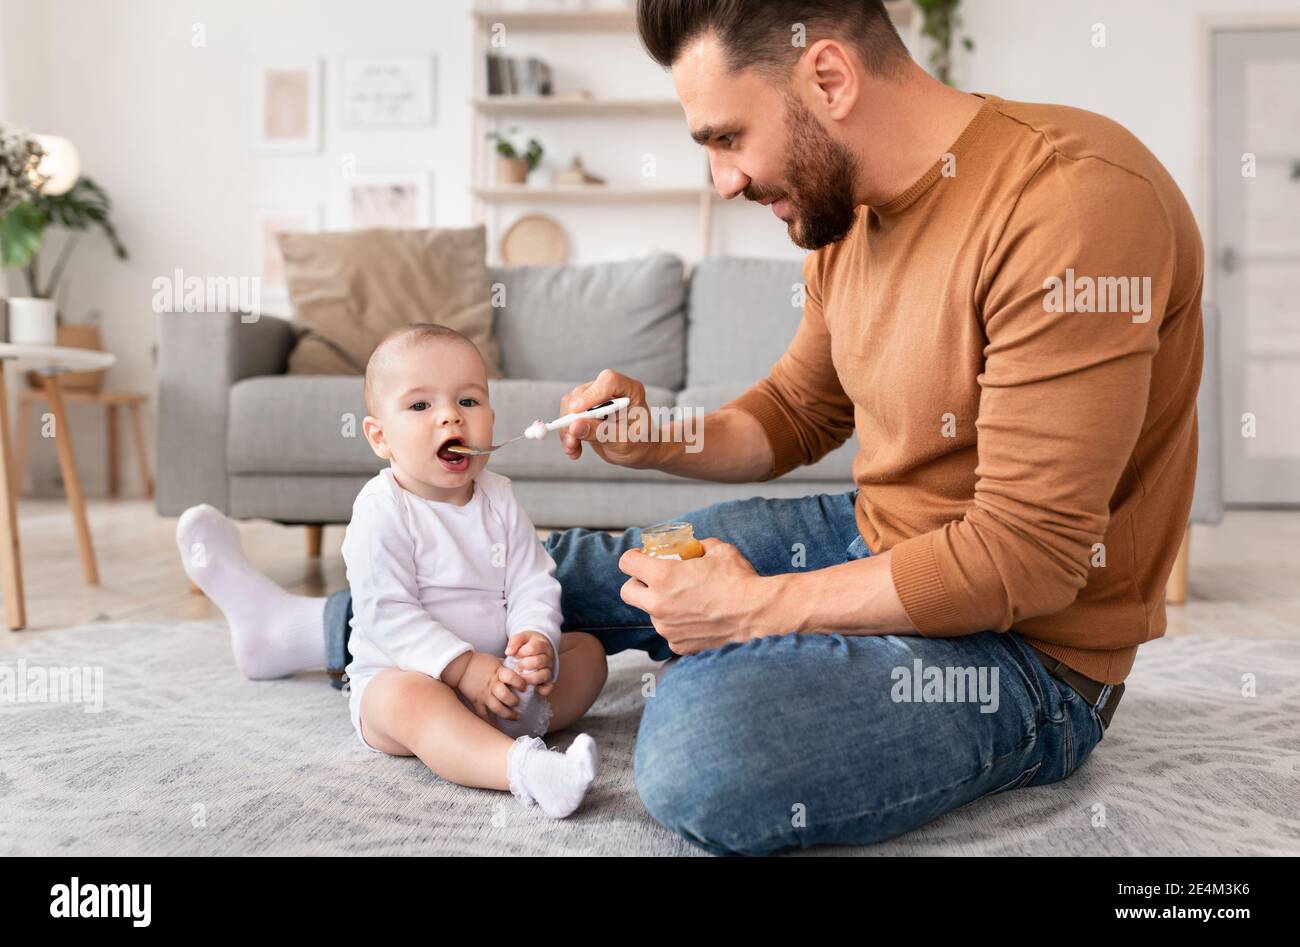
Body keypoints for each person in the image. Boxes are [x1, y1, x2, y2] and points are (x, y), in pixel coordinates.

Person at [178, 0, 1203, 854]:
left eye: (726, 137)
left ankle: (699, 667)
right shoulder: (849, 220)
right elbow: (796, 411)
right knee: (553, 563)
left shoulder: (1072, 201)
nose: (722, 178)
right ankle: (297, 632)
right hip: (873, 539)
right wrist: (652, 432)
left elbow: (1028, 553)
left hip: (1025, 652)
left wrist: (757, 610)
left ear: (829, 79)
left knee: (706, 753)